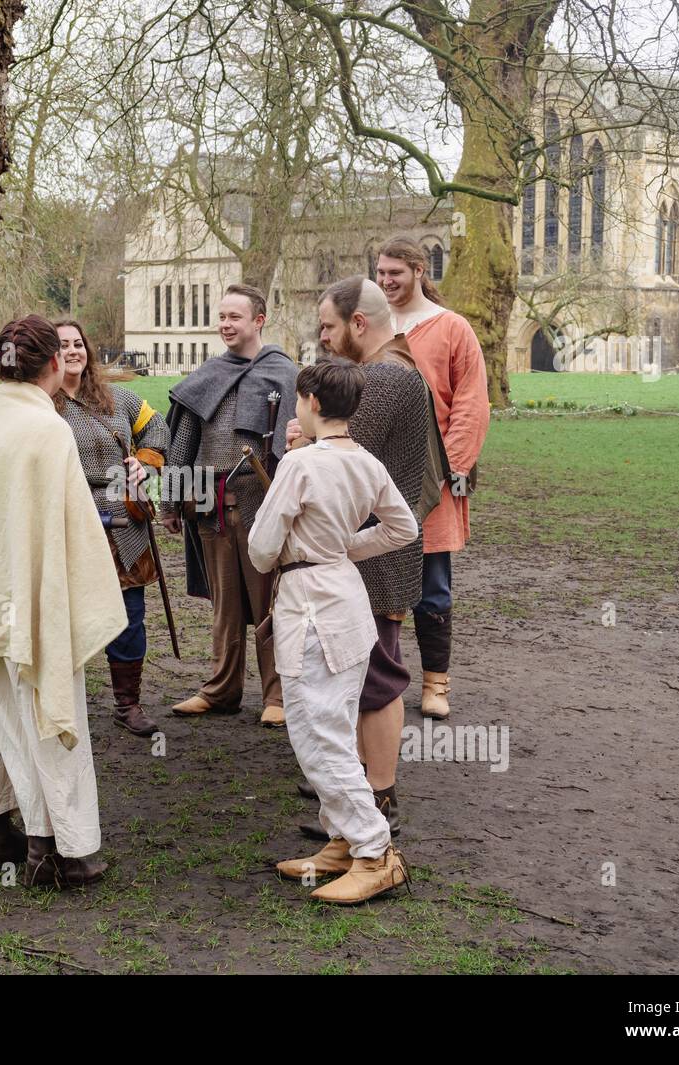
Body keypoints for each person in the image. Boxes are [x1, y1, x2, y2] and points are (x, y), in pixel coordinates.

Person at [0, 314, 125, 888]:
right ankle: (59, 848)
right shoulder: (47, 430)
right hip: (26, 604)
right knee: (45, 717)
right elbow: (74, 530)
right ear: (54, 365)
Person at [249, 360, 417, 904]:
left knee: (317, 734)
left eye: (299, 401)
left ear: (313, 403)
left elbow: (260, 547)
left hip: (314, 608)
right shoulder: (367, 463)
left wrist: (322, 550)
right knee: (335, 727)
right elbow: (403, 528)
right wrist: (345, 548)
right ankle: (343, 841)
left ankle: (375, 851)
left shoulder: (301, 465)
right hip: (346, 601)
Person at [289, 276, 435, 839]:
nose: (322, 338)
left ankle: (378, 798)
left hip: (373, 556)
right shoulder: (388, 374)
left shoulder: (385, 379)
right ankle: (355, 786)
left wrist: (304, 441)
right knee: (355, 673)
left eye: (328, 326)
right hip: (365, 551)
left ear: (358, 323)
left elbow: (339, 458)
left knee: (375, 678)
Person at [161, 283, 297, 727]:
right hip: (210, 502)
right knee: (225, 607)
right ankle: (222, 690)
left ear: (259, 320)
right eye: (222, 317)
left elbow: (292, 446)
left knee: (269, 604)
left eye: (234, 317)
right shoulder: (208, 375)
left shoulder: (282, 373)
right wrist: (171, 502)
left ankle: (276, 697)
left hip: (262, 504)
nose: (225, 324)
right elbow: (184, 443)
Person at [374, 238, 490, 719]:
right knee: (381, 579)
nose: (385, 281)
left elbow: (470, 403)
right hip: (377, 475)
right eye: (379, 272)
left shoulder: (452, 328)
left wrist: (451, 470)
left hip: (432, 479)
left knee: (433, 585)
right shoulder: (373, 325)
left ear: (420, 270)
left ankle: (436, 686)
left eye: (394, 272)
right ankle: (385, 680)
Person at [54, 319, 170, 737]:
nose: (73, 351)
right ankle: (60, 701)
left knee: (129, 614)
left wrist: (146, 460)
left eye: (78, 344)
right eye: (63, 345)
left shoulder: (116, 398)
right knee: (64, 613)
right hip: (69, 517)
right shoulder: (41, 404)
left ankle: (128, 704)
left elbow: (159, 428)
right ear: (51, 354)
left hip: (124, 518)